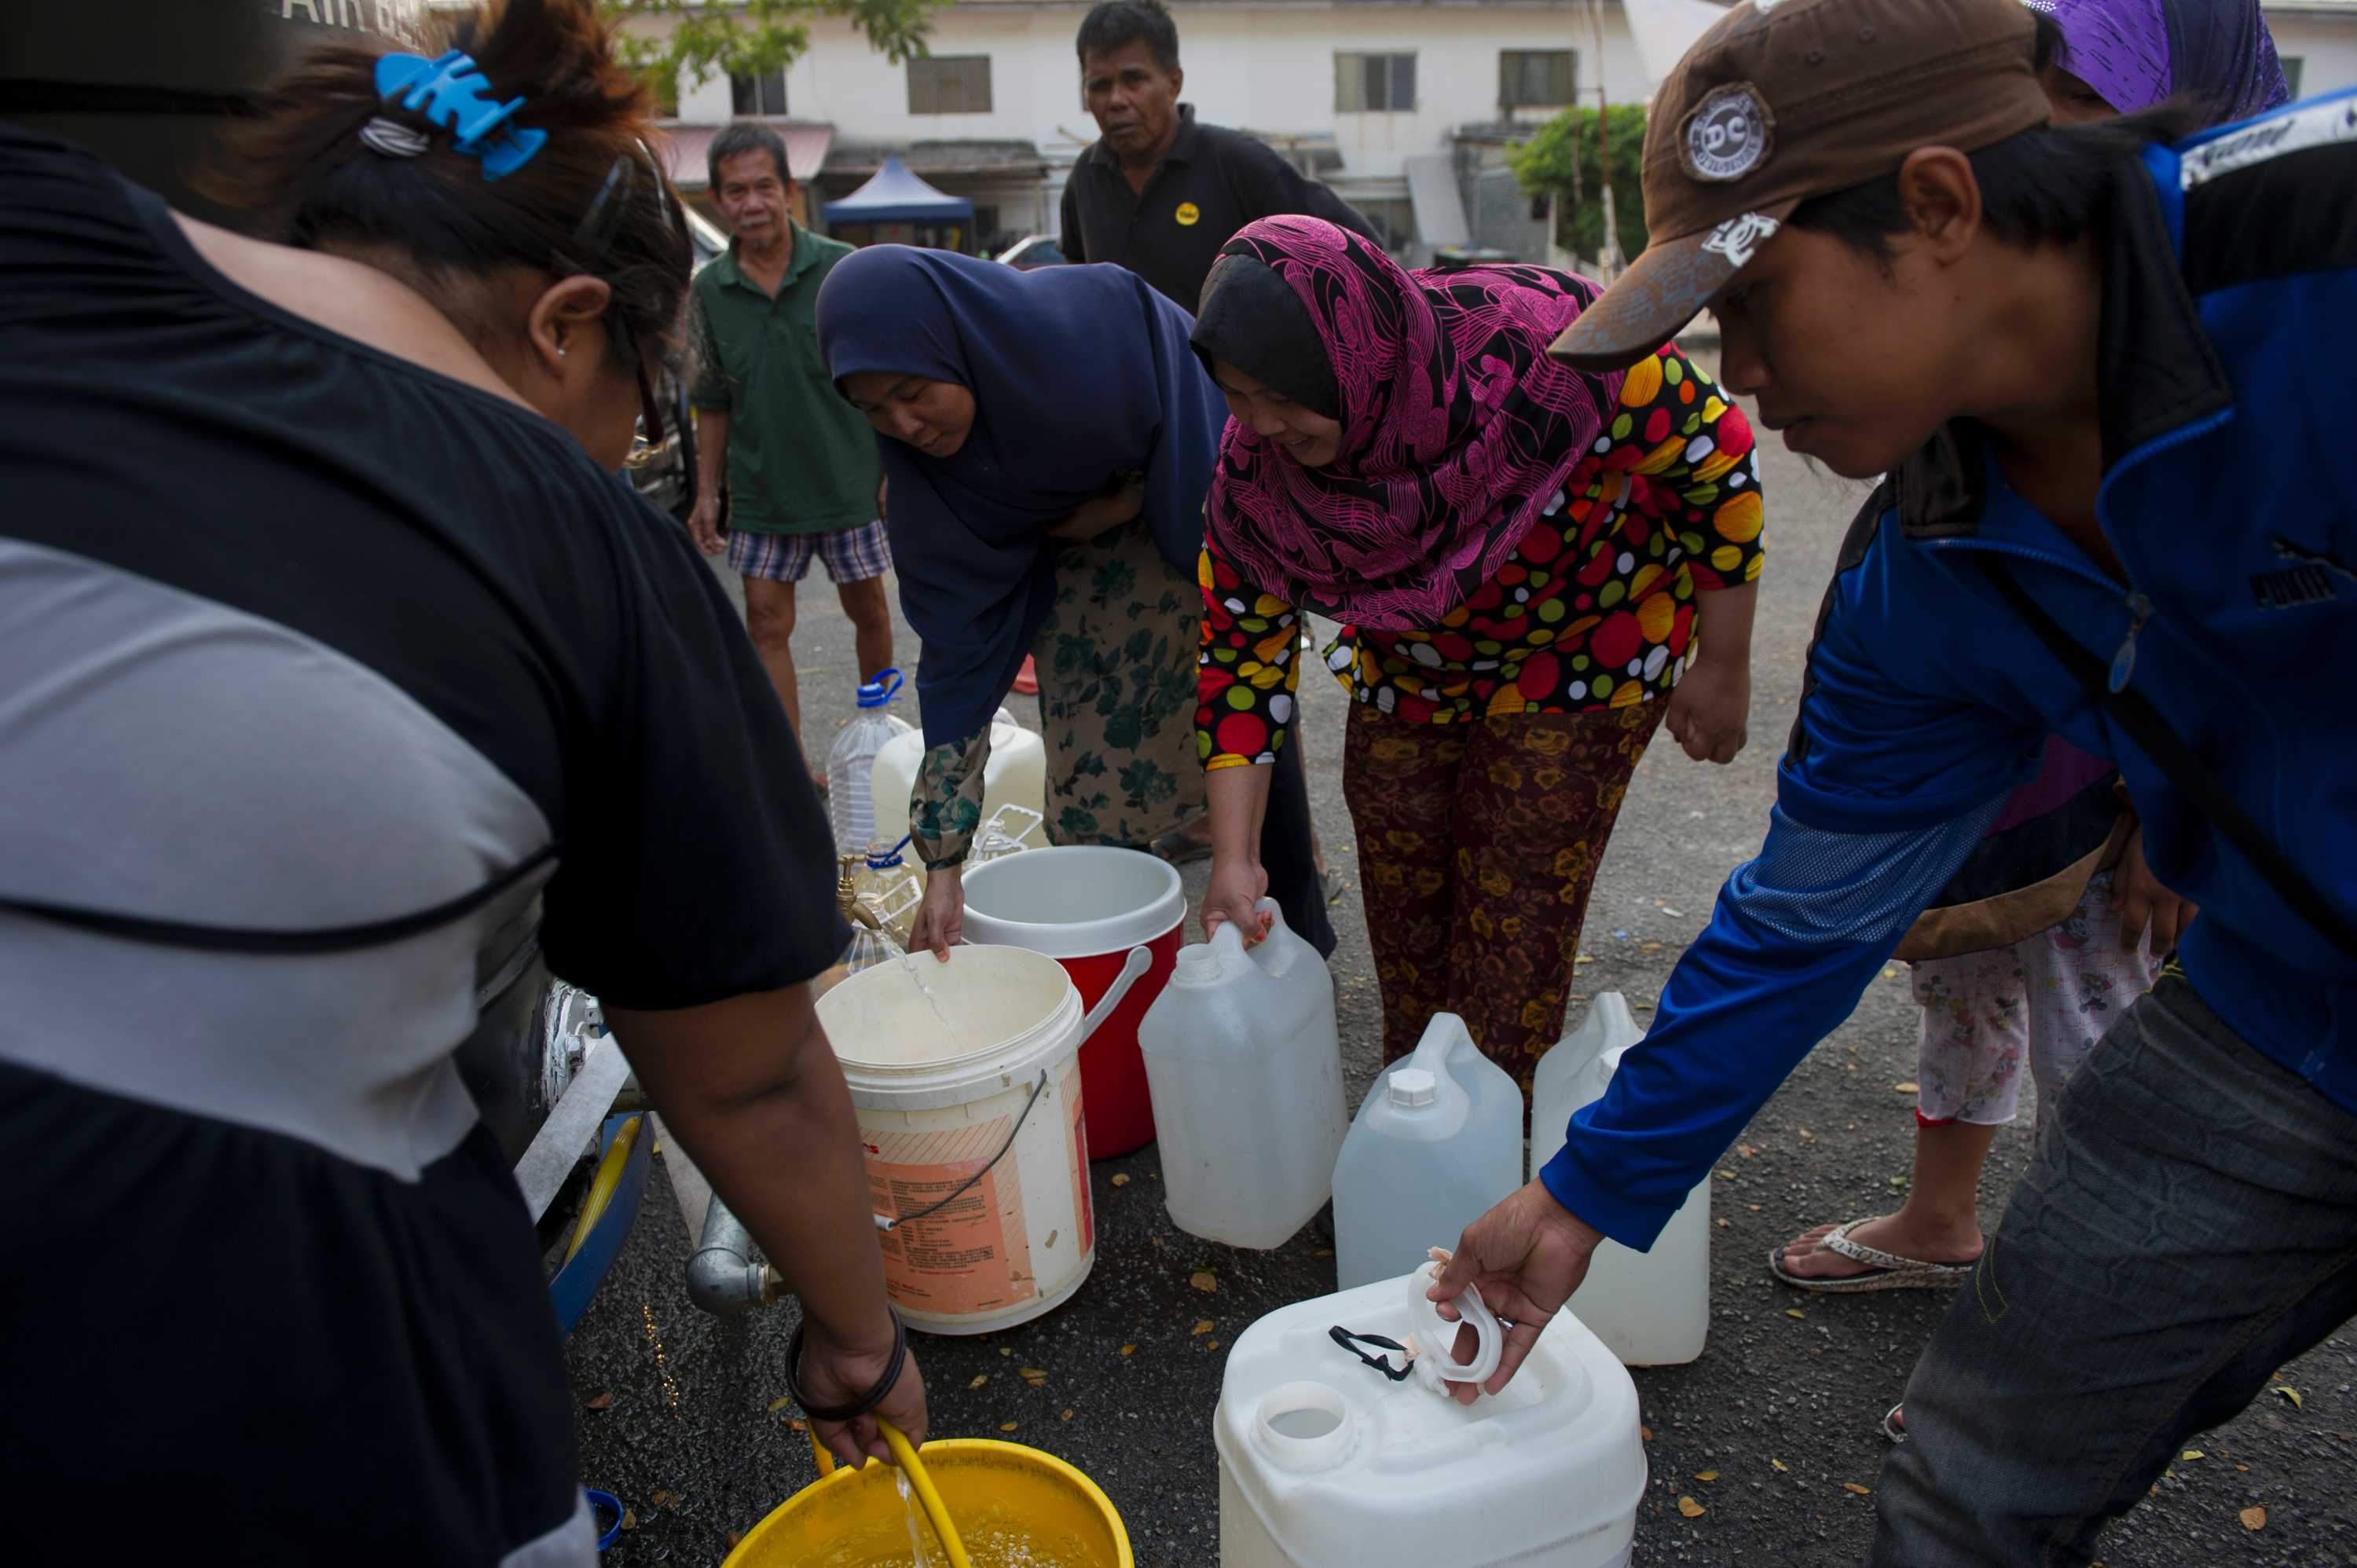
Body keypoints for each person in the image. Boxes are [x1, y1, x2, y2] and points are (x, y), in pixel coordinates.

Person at [1428, 0, 2356, 1560]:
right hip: (2286, 1016)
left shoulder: (2320, 256)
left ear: (1937, 204)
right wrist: (1583, 1194)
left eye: (1753, 303)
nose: (1741, 375)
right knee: (1969, 1476)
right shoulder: (1922, 572)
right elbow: (1808, 917)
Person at [0, 4, 925, 1562]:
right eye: (642, 398)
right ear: (568, 323)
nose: (627, 444)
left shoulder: (43, 226)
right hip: (287, 1425)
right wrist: (860, 1339)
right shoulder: (574, 545)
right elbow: (749, 1074)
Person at [1770, 0, 2277, 1357]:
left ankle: (2066, 1327)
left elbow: (2242, 659)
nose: (2050, 134)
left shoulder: (2265, 334)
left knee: (2097, 1035)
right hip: (1995, 788)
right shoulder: (1966, 408)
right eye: (2033, 93)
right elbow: (1808, 898)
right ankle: (1945, 1221)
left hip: (2122, 809)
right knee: (1970, 987)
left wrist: (2173, 813)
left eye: (2090, 105)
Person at [1189, 216, 1763, 1087]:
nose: (1262, 423)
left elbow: (1715, 458)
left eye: (1282, 395)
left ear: (1358, 360)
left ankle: (1496, 1132)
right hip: (1412, 667)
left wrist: (1723, 665)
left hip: (1587, 644)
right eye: (1236, 394)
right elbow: (1240, 658)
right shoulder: (1256, 476)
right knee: (1404, 899)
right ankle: (1421, 1111)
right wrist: (1235, 858)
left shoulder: (1554, 353)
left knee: (1515, 908)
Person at [816, 244, 1336, 960]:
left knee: (1240, 703)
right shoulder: (927, 482)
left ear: (957, 346)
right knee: (1095, 769)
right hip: (1067, 553)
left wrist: (1136, 505)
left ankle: (1293, 936)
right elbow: (957, 662)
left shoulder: (1085, 338)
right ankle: (1121, 951)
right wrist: (942, 867)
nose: (905, 425)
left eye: (913, 391)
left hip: (1187, 497)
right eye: (873, 409)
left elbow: (1197, 426)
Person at [689, 122, 893, 763]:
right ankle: (791, 768)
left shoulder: (840, 268)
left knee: (871, 614)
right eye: (736, 191)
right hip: (761, 491)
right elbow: (713, 399)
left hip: (847, 481)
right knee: (765, 625)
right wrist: (706, 493)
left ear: (789, 191)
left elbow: (885, 378)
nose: (752, 203)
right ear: (718, 200)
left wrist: (895, 468)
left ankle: (878, 748)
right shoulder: (709, 289)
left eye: (764, 187)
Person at [1061, 0, 1383, 313]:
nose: (1116, 100)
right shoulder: (1085, 179)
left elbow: (1362, 252)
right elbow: (1078, 283)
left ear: (1174, 83)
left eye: (1134, 80)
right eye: (1099, 86)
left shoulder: (1238, 165)